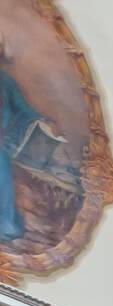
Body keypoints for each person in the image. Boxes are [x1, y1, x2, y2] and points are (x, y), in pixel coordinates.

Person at [0, 33, 62, 241]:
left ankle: (5, 224)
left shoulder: (5, 81)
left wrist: (45, 120)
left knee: (2, 176)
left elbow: (23, 108)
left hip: (1, 141)